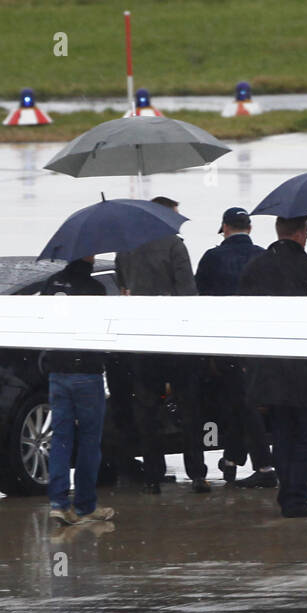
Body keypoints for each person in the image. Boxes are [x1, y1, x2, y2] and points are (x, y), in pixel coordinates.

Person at [114, 196, 210, 494]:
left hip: (144, 341)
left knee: (147, 410)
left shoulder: (126, 248)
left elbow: (122, 288)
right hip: (176, 341)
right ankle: (196, 473)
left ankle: (153, 475)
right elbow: (188, 295)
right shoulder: (174, 245)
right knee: (189, 408)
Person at [238, 215, 307, 518]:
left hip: (269, 366)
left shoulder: (255, 267)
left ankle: (285, 494)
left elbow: (244, 314)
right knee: (305, 435)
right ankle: (296, 497)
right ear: (301, 233)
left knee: (280, 434)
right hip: (304, 367)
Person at [196, 207, 276, 488]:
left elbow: (199, 300)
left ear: (225, 228)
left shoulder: (212, 258)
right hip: (260, 342)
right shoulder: (265, 256)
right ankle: (231, 459)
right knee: (238, 399)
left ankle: (264, 466)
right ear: (249, 228)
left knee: (241, 400)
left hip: (225, 342)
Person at [40, 256, 115, 525]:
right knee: (88, 441)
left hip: (57, 371)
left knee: (60, 438)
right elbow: (102, 326)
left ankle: (59, 503)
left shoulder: (52, 283)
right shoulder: (94, 289)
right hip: (86, 371)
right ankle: (84, 504)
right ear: (89, 256)